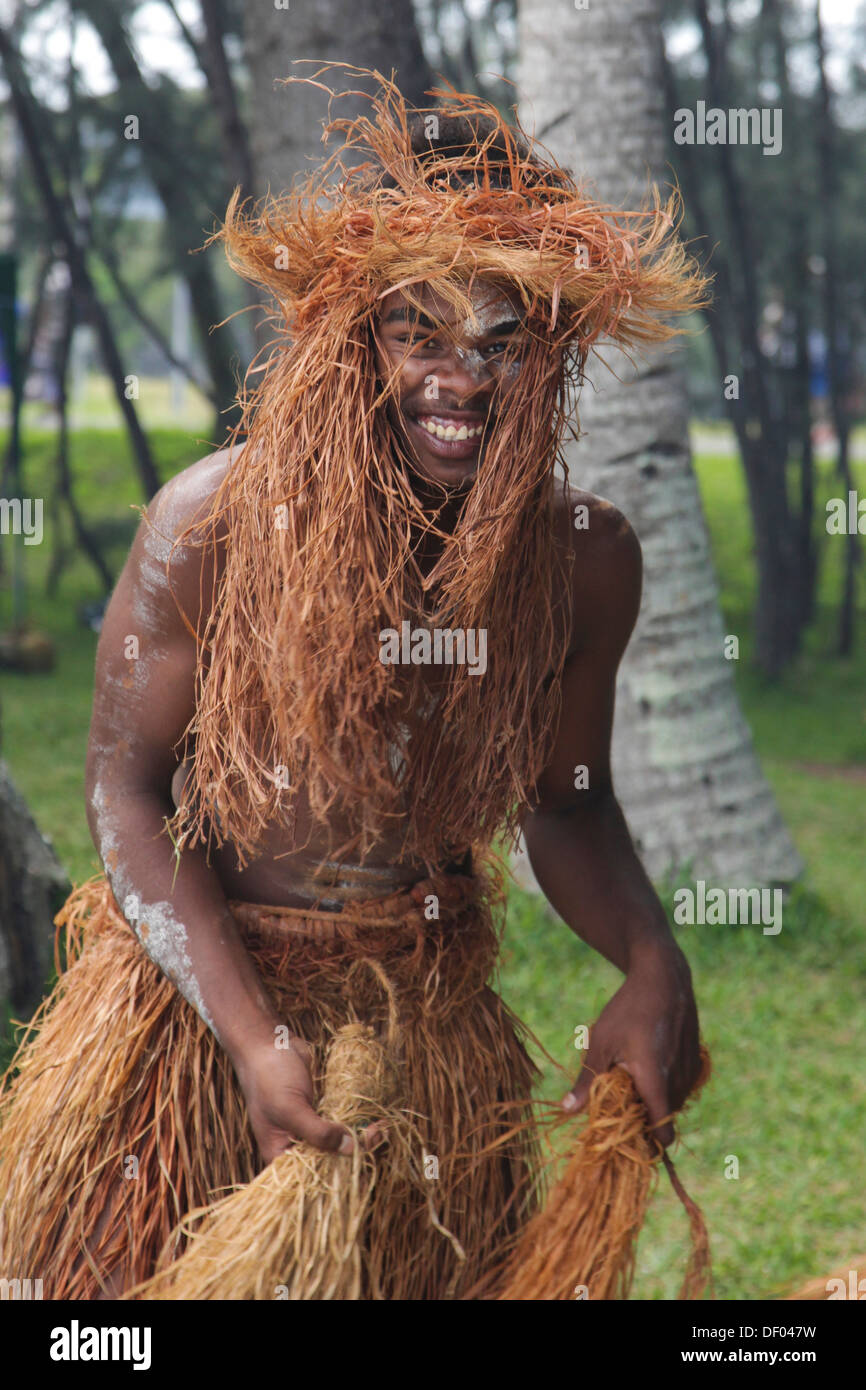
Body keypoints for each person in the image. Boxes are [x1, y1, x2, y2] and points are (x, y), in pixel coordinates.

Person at [0, 77, 705, 1300]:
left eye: (500, 339)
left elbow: (569, 803)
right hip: (198, 1020)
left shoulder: (584, 561)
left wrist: (652, 962)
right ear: (347, 328)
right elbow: (125, 789)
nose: (461, 379)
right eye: (416, 331)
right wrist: (247, 1028)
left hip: (424, 1027)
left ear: (551, 350)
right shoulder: (215, 522)